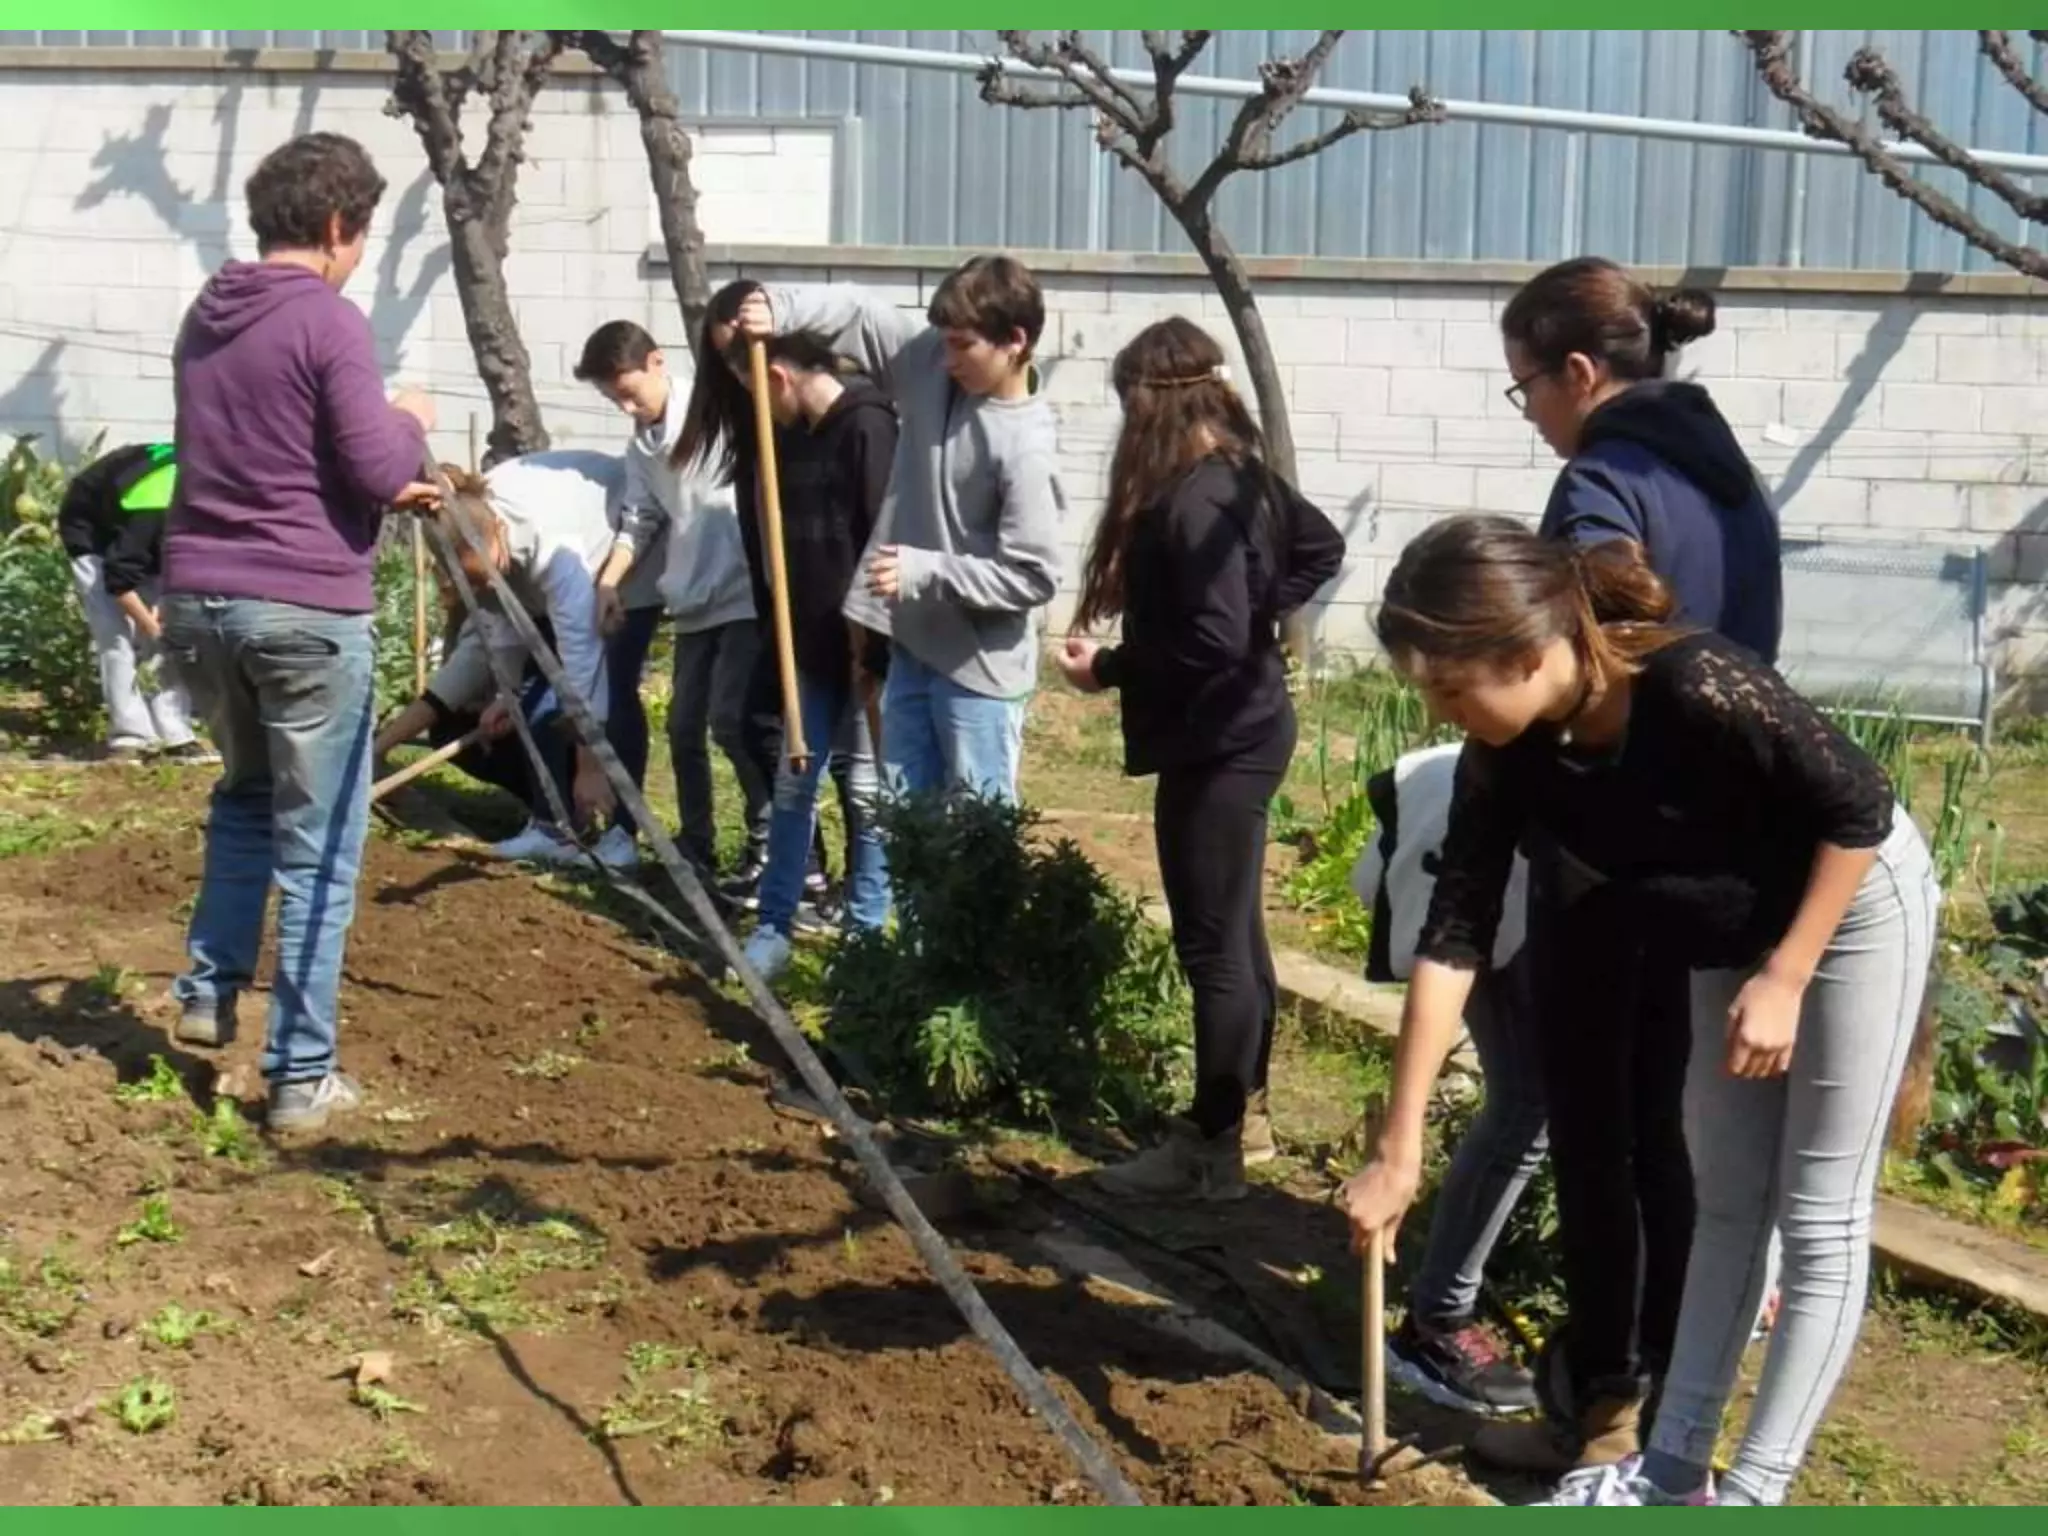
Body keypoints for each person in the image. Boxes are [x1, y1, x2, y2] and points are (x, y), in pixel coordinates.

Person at [1339, 515, 1937, 1508]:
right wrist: (1399, 1151)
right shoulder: (1512, 753)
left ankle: (1754, 1490)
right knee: (1725, 1204)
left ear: (1528, 651)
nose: (1442, 713)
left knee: (1818, 1212)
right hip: (1725, 932)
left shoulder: (1691, 685)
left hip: (1850, 907)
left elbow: (1858, 807)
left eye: (1451, 687)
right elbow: (1454, 935)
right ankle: (1666, 1472)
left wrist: (1786, 979)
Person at [1458, 256, 1788, 1475]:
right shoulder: (1727, 479)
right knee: (1664, 1140)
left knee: (1599, 1139)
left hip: (1607, 856)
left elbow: (1589, 633)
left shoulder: (1601, 479)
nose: (1531, 414)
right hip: (1712, 855)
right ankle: (1656, 1395)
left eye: (1524, 388)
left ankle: (1599, 1404)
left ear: (1581, 372)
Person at [160, 131, 438, 1135]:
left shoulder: (208, 316)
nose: (356, 252)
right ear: (335, 227)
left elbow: (263, 446)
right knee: (319, 850)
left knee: (241, 795)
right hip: (304, 610)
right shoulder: (328, 319)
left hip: (198, 602)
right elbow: (370, 465)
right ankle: (300, 1075)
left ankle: (206, 987)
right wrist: (409, 419)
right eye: (360, 235)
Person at [1053, 317, 1344, 1202]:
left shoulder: (1194, 499)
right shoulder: (1245, 478)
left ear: (1152, 405)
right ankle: (1243, 1119)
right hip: (1245, 727)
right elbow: (1321, 550)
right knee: (1237, 932)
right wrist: (1263, 609)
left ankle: (1210, 1147)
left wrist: (1108, 669)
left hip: (1220, 737)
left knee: (1211, 945)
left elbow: (1213, 639)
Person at [723, 255, 1066, 806]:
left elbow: (1034, 576)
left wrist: (926, 569)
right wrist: (778, 307)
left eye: (962, 345)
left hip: (979, 676)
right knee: (909, 828)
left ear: (1015, 341)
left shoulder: (1026, 448)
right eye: (943, 340)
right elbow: (858, 310)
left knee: (978, 838)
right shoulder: (931, 365)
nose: (945, 358)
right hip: (913, 655)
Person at [1350, 742, 1544, 1417]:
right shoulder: (1507, 769)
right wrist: (1398, 1151)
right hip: (1502, 866)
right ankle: (1436, 1323)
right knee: (1529, 1101)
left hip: (1567, 880)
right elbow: (1452, 945)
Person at [675, 280, 867, 921]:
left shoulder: (831, 419)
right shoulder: (751, 420)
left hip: (835, 606)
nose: (737, 368)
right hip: (780, 595)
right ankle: (802, 864)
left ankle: (849, 889)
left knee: (846, 754)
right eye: (725, 355)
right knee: (757, 722)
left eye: (743, 351)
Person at [577, 319, 780, 887]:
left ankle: (766, 842)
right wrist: (610, 581)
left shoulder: (717, 408)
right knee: (684, 725)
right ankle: (696, 843)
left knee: (732, 721)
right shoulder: (641, 445)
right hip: (692, 594)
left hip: (743, 586)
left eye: (627, 391)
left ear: (657, 363)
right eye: (611, 397)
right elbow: (641, 519)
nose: (624, 407)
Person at [726, 329, 900, 983]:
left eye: (756, 394)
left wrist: (872, 646)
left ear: (778, 378)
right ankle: (775, 925)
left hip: (863, 647)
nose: (757, 412)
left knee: (865, 788)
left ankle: (865, 932)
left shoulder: (868, 428)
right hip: (805, 641)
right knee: (795, 782)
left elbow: (880, 538)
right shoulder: (781, 440)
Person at [372, 453, 631, 860]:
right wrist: (507, 695)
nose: (487, 583)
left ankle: (615, 832)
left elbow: (582, 659)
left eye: (488, 572)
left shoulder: (552, 542)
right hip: (551, 589)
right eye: (477, 581)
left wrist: (591, 765)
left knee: (561, 704)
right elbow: (494, 642)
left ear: (499, 530)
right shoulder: (477, 543)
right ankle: (556, 827)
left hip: (621, 556)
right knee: (532, 706)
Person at [55, 440, 211, 763]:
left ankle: (176, 733)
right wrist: (152, 628)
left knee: (170, 632)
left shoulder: (213, 498)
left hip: (142, 536)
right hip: (94, 533)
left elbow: (192, 561)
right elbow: (119, 578)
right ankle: (130, 736)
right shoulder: (156, 500)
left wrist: (166, 607)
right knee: (116, 637)